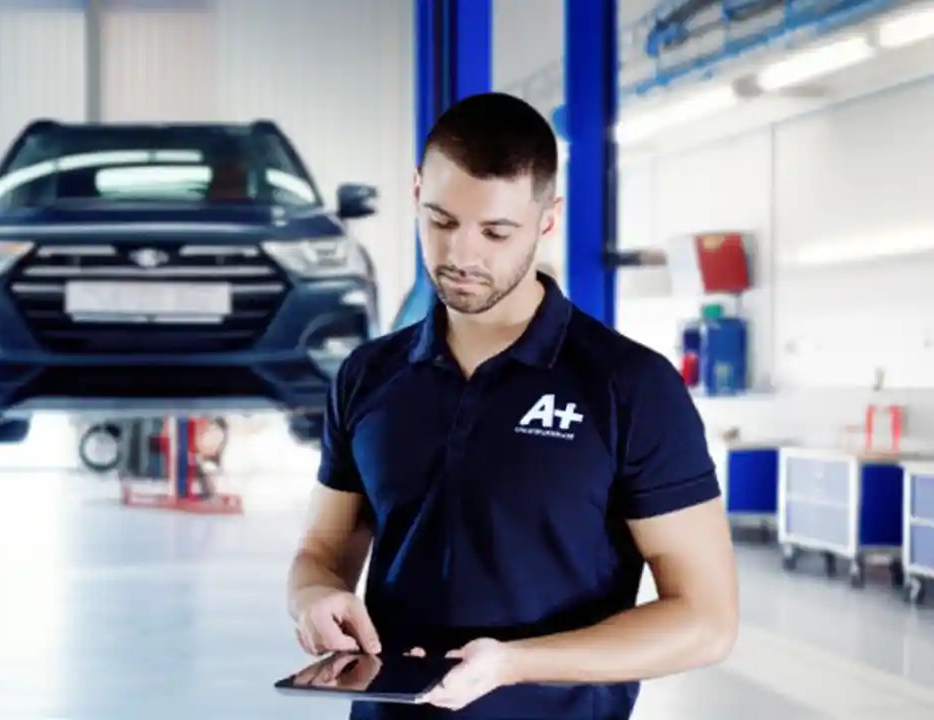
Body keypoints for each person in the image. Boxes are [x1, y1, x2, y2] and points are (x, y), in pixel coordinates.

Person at [284, 92, 738, 720]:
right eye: (441, 221)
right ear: (417, 191)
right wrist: (313, 594)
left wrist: (514, 664)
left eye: (496, 232)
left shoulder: (629, 386)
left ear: (547, 220)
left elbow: (706, 620)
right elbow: (324, 546)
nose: (461, 255)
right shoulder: (369, 376)